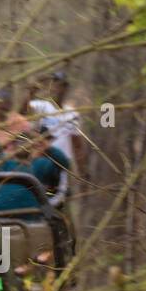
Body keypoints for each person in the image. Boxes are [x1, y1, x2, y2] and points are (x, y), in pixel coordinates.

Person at [26, 70, 88, 205]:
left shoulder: (72, 115)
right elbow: (23, 114)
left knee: (57, 204)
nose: (56, 88)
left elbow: (77, 146)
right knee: (37, 198)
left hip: (61, 166)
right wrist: (31, 92)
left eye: (60, 85)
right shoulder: (41, 106)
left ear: (66, 88)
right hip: (40, 164)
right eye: (53, 84)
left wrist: (83, 174)